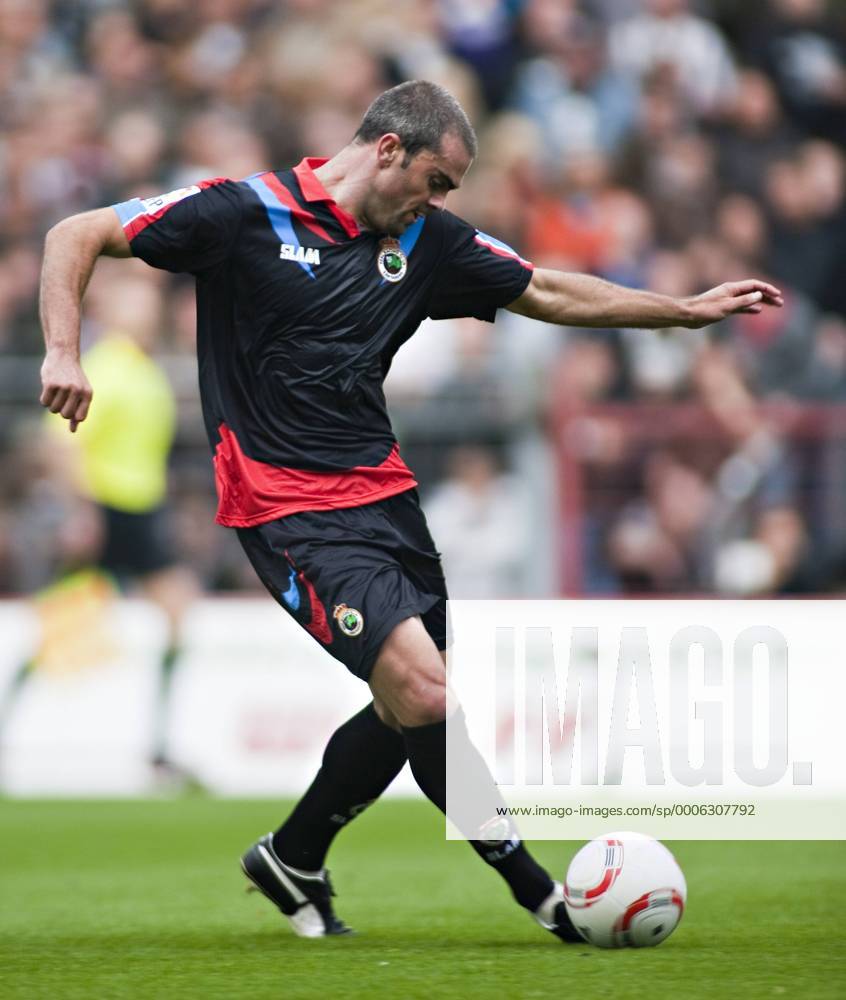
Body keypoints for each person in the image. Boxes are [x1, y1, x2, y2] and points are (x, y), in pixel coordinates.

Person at [38, 80, 782, 941]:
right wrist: (64, 352)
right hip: (287, 506)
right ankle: (543, 897)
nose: (440, 202)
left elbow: (545, 290)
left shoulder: (427, 241)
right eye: (436, 181)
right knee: (425, 692)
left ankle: (293, 855)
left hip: (385, 499)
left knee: (408, 703)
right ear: (388, 149)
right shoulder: (244, 212)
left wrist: (680, 313)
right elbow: (74, 233)